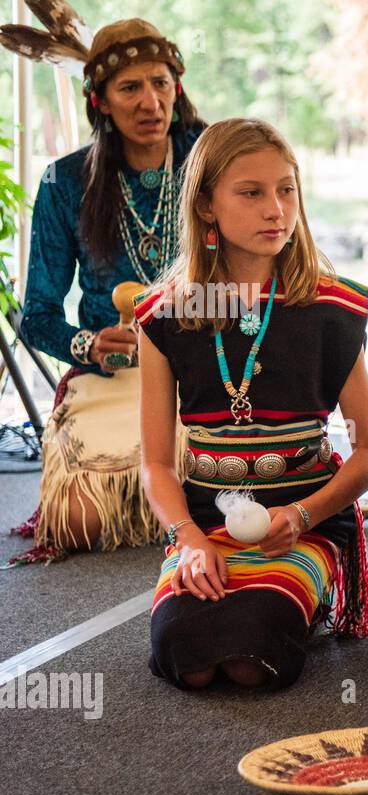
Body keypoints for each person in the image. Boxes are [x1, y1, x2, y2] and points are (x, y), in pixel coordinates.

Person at [135, 118, 368, 691]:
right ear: (205, 207)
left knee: (255, 660)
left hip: (305, 519)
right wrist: (188, 540)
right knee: (186, 659)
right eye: (251, 193)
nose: (276, 209)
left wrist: (302, 516)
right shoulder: (163, 315)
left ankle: (306, 601)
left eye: (287, 189)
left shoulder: (332, 306)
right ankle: (214, 580)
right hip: (203, 520)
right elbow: (156, 464)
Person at [1, 11, 205, 564]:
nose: (150, 102)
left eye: (160, 83)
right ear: (101, 100)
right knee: (76, 523)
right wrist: (88, 345)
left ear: (176, 88)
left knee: (219, 488)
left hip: (207, 366)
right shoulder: (65, 181)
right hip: (113, 375)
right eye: (130, 87)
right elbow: (35, 313)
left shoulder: (211, 159)